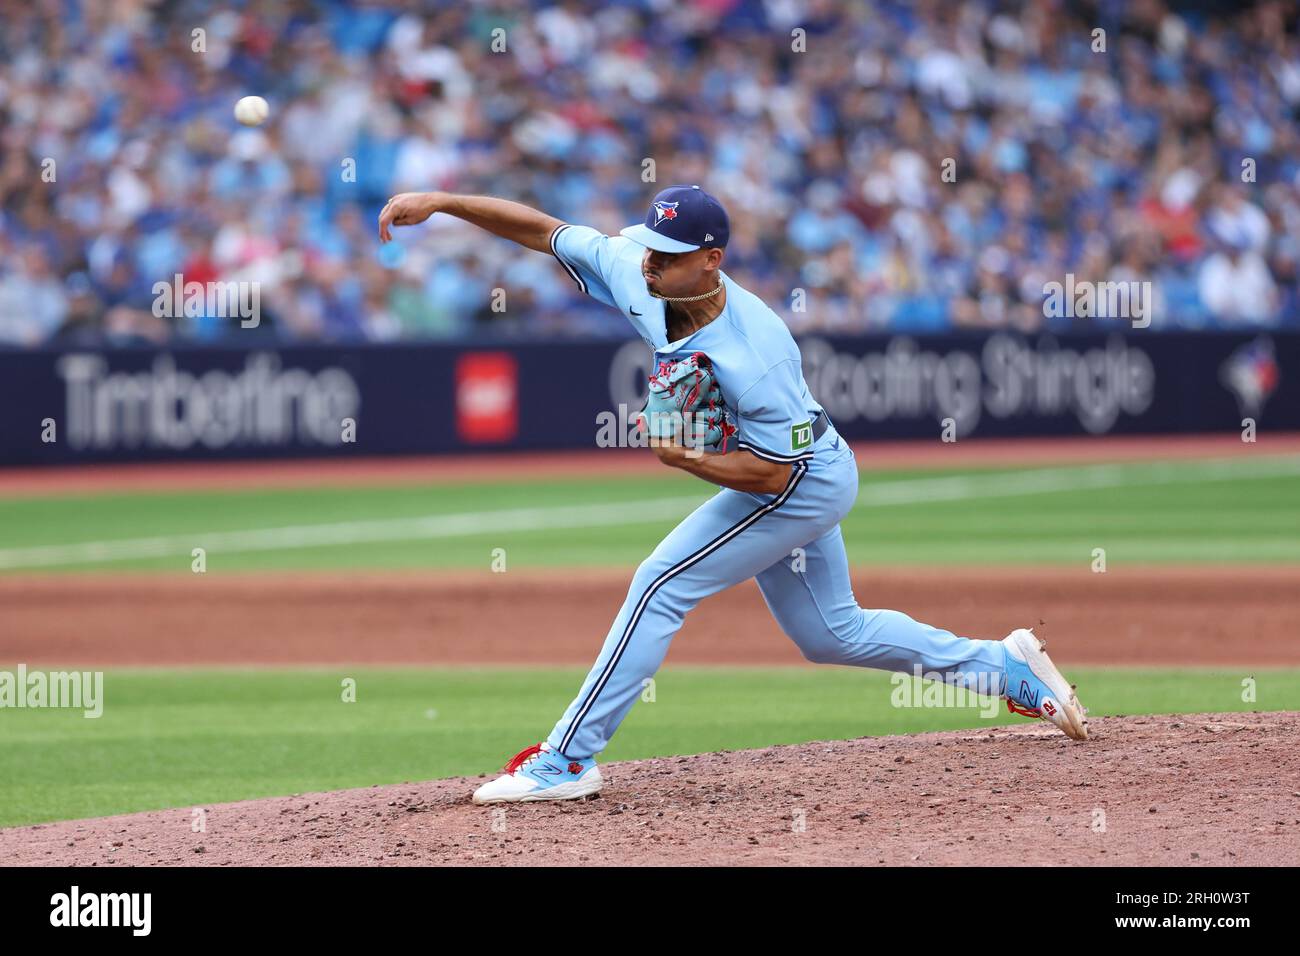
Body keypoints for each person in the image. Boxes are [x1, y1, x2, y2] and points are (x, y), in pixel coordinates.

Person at [378, 185, 1088, 804]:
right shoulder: (641, 271)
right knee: (830, 633)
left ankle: (565, 760)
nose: (648, 260)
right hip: (798, 471)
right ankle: (1002, 664)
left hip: (800, 480)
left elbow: (773, 477)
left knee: (659, 584)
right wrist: (444, 202)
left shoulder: (757, 351)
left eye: (667, 253)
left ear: (711, 260)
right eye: (648, 246)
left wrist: (685, 456)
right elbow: (544, 230)